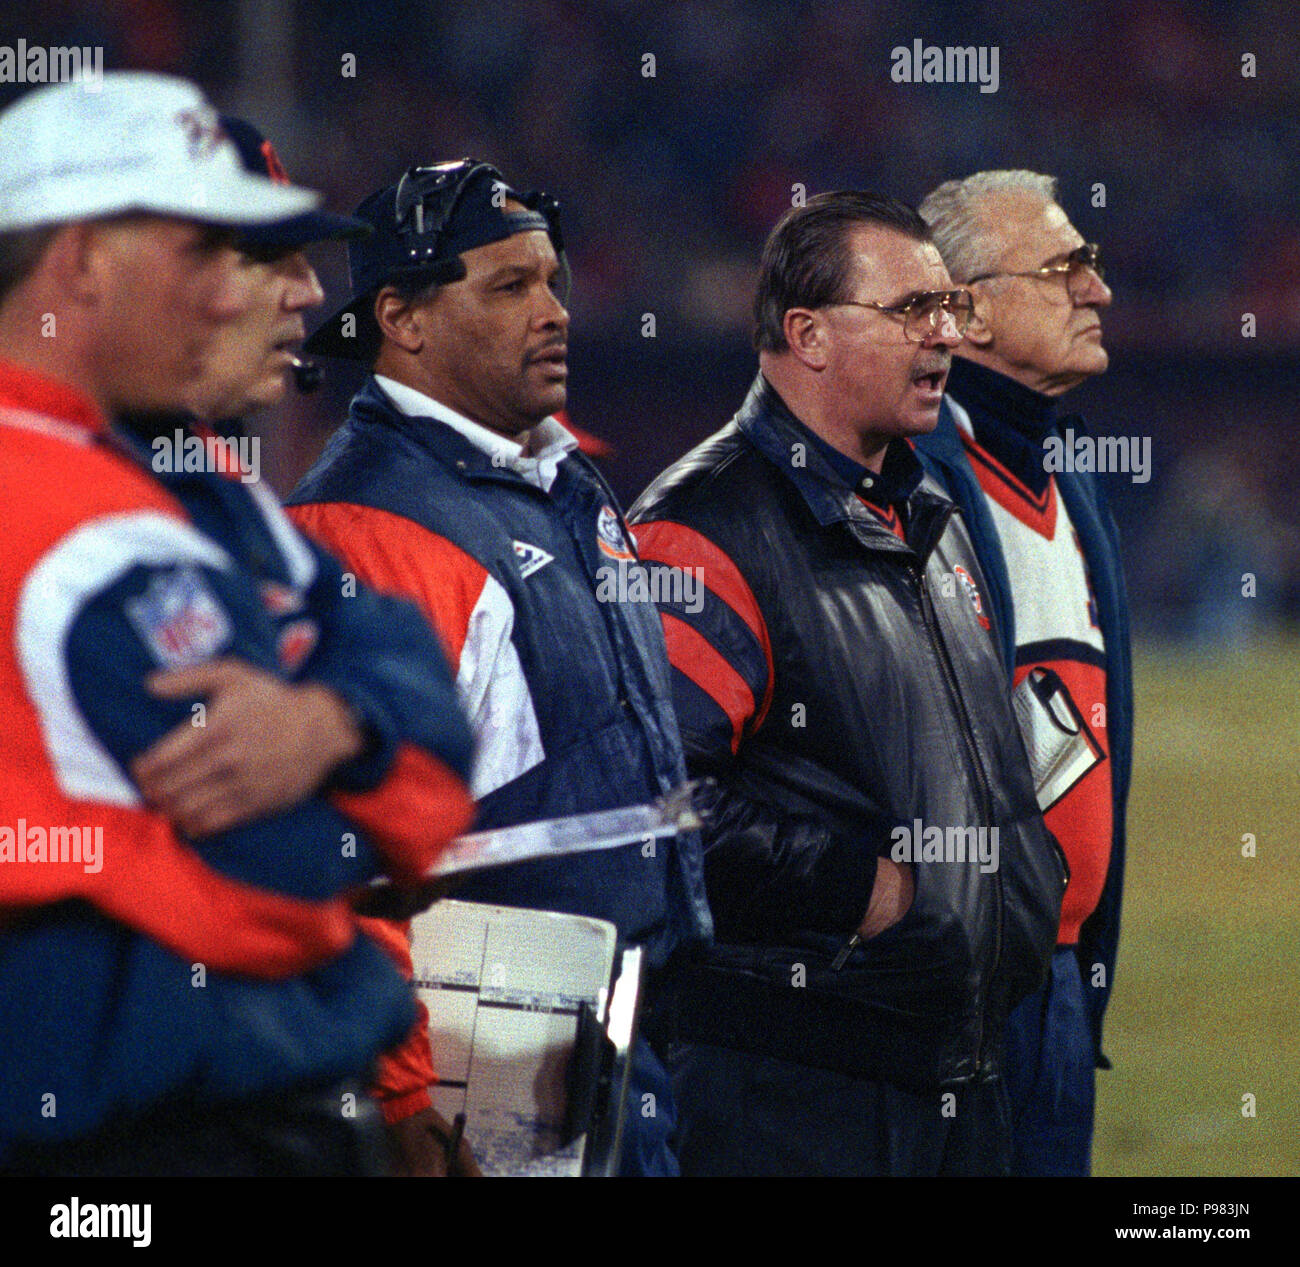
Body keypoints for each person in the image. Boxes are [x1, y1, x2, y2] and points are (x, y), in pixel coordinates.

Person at [0, 73, 476, 1176]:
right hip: (146, 1142)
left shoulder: (184, 479)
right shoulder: (77, 524)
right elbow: (294, 873)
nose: (245, 295)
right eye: (205, 254)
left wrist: (338, 726)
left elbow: (415, 704)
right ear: (80, 264)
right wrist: (369, 773)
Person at [284, 159, 711, 1176]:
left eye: (553, 280)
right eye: (509, 286)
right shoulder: (371, 525)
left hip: (607, 1034)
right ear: (404, 317)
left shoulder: (559, 479)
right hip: (478, 1057)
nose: (555, 311)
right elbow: (338, 850)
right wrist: (399, 1086)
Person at [626, 191, 1066, 1176]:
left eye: (949, 306)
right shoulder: (703, 526)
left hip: (956, 1073)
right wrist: (856, 889)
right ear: (808, 334)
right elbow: (656, 804)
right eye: (911, 309)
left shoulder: (929, 511)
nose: (946, 334)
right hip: (795, 1094)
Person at [914, 169, 1132, 1176]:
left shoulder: (1066, 477)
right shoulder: (909, 486)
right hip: (955, 992)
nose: (1098, 291)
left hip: (1055, 984)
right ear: (964, 312)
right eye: (1065, 267)